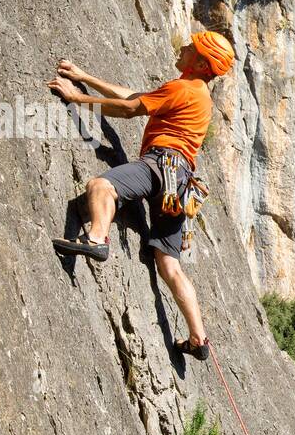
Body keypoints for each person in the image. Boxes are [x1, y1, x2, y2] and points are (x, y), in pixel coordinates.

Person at [48, 31, 235, 360]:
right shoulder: (199, 95)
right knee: (170, 265)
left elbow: (129, 109)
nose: (184, 47)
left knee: (100, 187)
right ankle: (198, 338)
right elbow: (136, 97)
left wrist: (76, 99)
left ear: (202, 62)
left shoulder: (184, 88)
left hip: (159, 165)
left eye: (191, 47)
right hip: (181, 185)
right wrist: (84, 78)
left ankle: (96, 239)